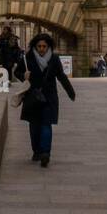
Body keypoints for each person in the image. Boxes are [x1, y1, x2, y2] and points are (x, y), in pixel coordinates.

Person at [19, 32, 76, 167]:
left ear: (49, 46)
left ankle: (45, 153)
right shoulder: (28, 58)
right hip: (32, 97)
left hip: (49, 97)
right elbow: (17, 72)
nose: (42, 49)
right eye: (39, 46)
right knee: (34, 126)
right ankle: (36, 151)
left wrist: (70, 92)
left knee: (46, 124)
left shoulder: (54, 59)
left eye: (44, 46)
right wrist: (24, 76)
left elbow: (61, 76)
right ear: (35, 46)